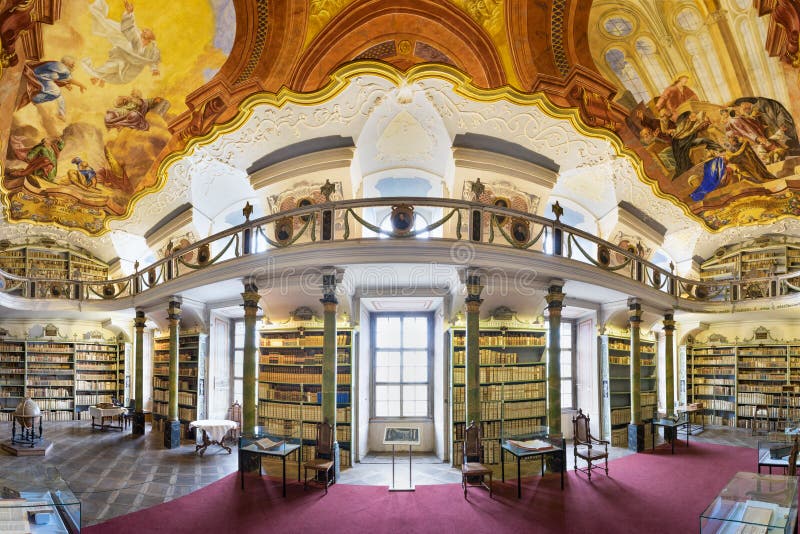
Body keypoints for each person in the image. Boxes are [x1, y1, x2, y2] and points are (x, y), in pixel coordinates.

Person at [82, 0, 160, 87]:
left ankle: (101, 78)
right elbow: (130, 28)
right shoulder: (137, 38)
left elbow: (153, 59)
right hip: (124, 55)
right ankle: (98, 75)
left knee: (121, 75)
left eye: (147, 31)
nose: (144, 30)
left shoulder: (152, 48)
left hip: (133, 67)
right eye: (144, 30)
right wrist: (129, 13)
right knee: (114, 65)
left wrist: (154, 69)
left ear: (150, 38)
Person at [17, 56, 86, 120]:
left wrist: (65, 85)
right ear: (66, 63)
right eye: (72, 63)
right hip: (40, 77)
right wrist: (80, 85)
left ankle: (61, 113)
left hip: (43, 78)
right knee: (56, 92)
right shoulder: (62, 67)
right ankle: (35, 98)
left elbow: (60, 79)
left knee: (59, 96)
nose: (73, 65)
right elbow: (69, 79)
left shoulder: (60, 68)